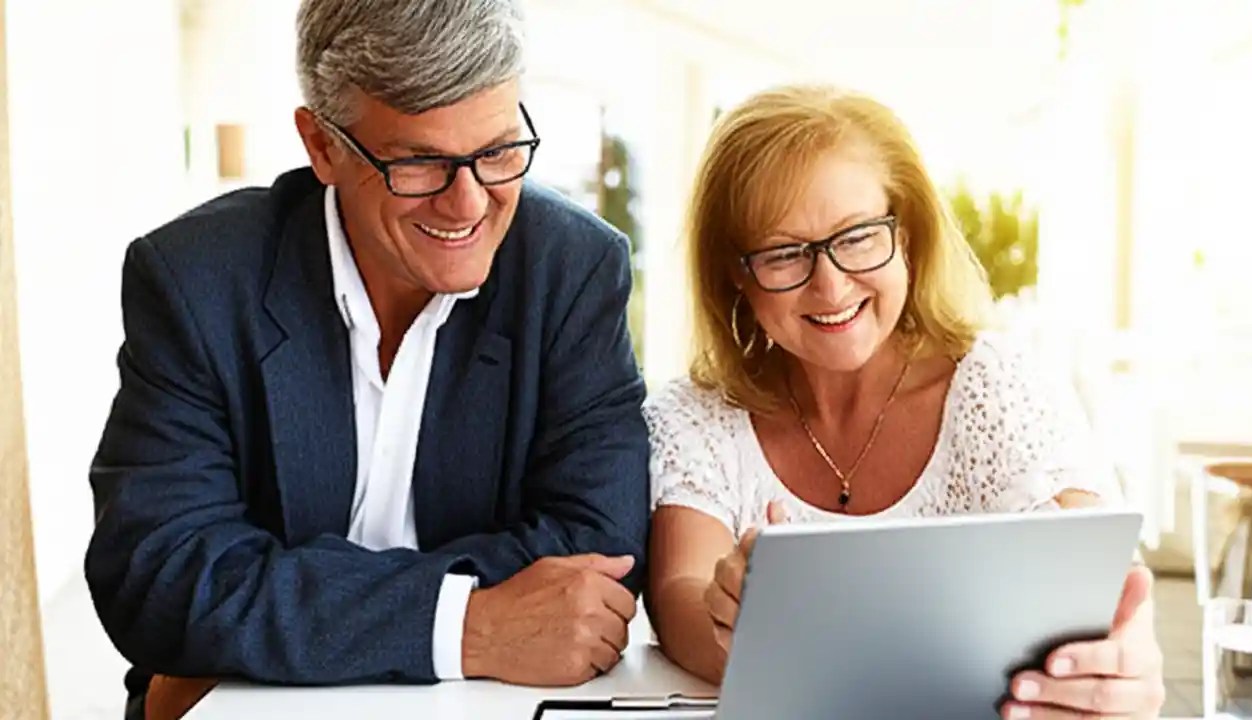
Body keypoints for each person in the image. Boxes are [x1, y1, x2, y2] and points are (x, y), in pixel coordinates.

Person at [85, 1, 649, 717]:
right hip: (250, 702)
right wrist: (464, 626)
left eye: (499, 151)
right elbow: (158, 575)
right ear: (321, 145)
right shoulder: (197, 279)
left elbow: (600, 553)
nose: (469, 203)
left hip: (484, 702)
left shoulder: (572, 268)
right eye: (420, 162)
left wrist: (267, 607)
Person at [643, 84, 1166, 719]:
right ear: (736, 272)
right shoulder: (698, 415)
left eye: (859, 237)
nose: (830, 285)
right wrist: (727, 616)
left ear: (909, 235)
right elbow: (680, 593)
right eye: (784, 253)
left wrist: (1117, 668)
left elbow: (1101, 590)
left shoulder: (998, 389)